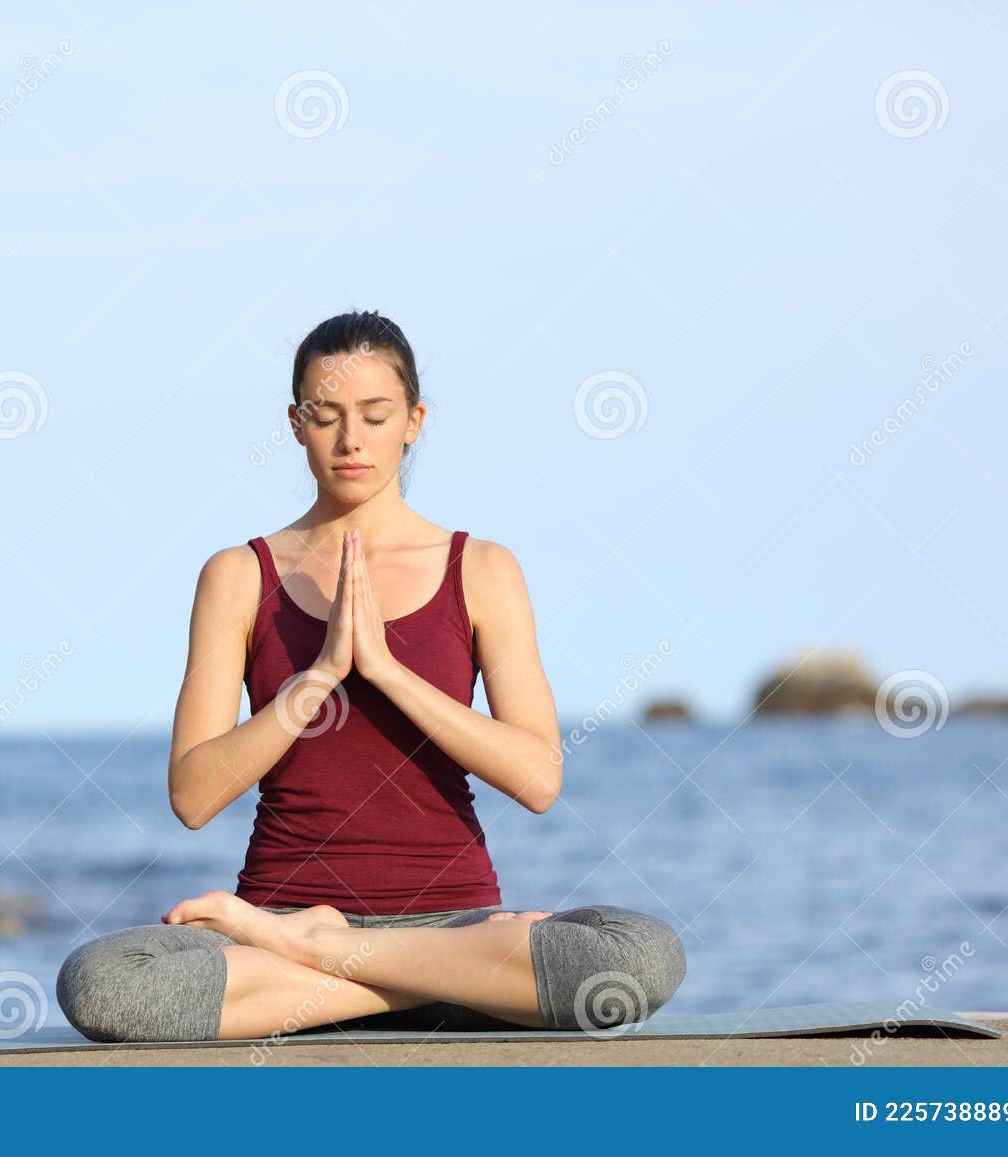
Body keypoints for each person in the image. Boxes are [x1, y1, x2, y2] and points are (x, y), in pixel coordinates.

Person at [55, 310, 686, 1042]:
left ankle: (333, 962)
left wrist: (386, 671)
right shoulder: (237, 576)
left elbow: (538, 778)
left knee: (639, 957)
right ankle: (428, 987)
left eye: (375, 415)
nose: (350, 440)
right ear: (295, 424)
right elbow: (193, 796)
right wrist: (317, 678)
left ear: (413, 421)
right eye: (325, 416)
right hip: (287, 919)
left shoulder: (481, 569)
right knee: (102, 983)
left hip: (452, 923)